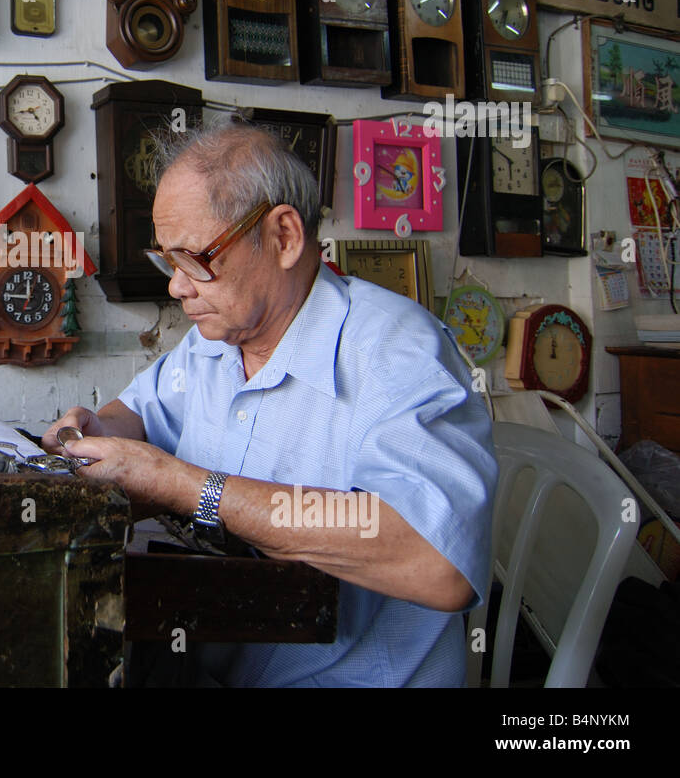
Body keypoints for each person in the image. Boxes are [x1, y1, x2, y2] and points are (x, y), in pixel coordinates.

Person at [44, 119, 497, 687]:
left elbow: (438, 562)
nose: (177, 288)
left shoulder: (396, 352)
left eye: (193, 260)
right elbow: (137, 414)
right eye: (167, 261)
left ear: (283, 237)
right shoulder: (215, 341)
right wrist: (91, 427)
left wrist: (187, 487)